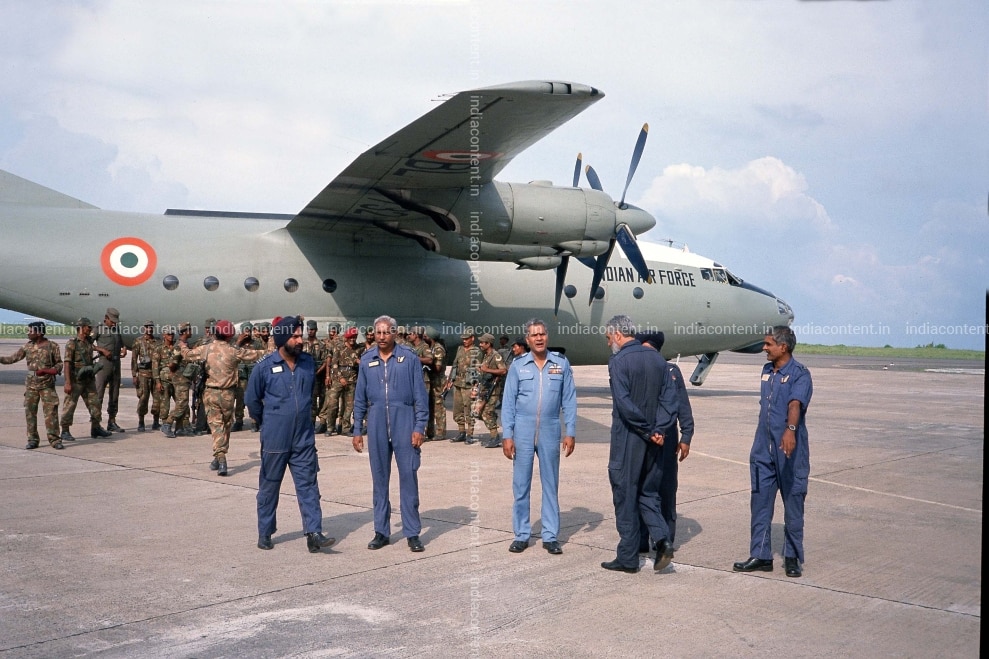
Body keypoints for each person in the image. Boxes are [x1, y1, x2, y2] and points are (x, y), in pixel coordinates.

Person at [246, 316, 335, 553]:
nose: (300, 340)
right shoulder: (264, 367)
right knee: (269, 486)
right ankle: (265, 532)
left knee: (308, 486)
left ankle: (313, 532)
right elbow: (252, 401)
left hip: (304, 438)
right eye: (295, 336)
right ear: (283, 338)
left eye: (300, 335)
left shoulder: (307, 363)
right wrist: (270, 422)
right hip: (276, 438)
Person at [601, 315, 678, 574]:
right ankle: (663, 539)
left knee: (625, 492)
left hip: (629, 439)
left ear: (618, 334)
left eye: (608, 337)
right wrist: (659, 429)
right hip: (656, 440)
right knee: (648, 493)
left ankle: (628, 556)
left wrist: (646, 430)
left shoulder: (619, 361)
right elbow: (670, 401)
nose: (608, 342)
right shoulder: (659, 360)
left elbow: (623, 403)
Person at [733, 326, 812, 578]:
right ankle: (760, 555)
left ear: (783, 347)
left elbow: (795, 404)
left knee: (793, 505)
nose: (764, 348)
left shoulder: (800, 374)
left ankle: (791, 557)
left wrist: (790, 430)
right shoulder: (766, 371)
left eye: (768, 344)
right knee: (760, 504)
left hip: (789, 452)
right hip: (762, 452)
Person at [352, 315, 430, 553]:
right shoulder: (367, 360)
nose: (382, 337)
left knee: (408, 477)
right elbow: (359, 398)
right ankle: (381, 531)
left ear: (395, 333)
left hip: (404, 421)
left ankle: (412, 533)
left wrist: (419, 427)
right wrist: (357, 430)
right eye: (378, 333)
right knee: (379, 480)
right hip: (376, 422)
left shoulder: (409, 359)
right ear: (373, 335)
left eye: (387, 332)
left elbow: (420, 396)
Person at [500, 319, 576, 555]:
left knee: (550, 484)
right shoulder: (518, 366)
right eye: (534, 335)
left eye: (542, 334)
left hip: (550, 428)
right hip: (522, 429)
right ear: (527, 340)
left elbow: (569, 400)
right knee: (521, 485)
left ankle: (550, 535)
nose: (539, 338)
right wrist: (507, 434)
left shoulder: (560, 364)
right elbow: (508, 403)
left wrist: (570, 431)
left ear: (547, 337)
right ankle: (521, 535)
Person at [180, 319, 265, 475]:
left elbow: (186, 355)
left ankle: (221, 458)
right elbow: (255, 354)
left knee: (216, 426)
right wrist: (272, 346)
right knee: (225, 426)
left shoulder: (205, 349)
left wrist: (183, 343)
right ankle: (218, 456)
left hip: (211, 393)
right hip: (228, 395)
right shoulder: (234, 351)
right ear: (229, 336)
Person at [636, 333, 695, 554]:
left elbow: (682, 404)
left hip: (667, 440)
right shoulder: (637, 367)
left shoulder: (671, 371)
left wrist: (686, 435)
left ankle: (665, 540)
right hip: (642, 439)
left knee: (667, 489)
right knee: (640, 489)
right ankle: (641, 539)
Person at [1, 321, 63, 449]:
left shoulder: (52, 346)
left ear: (39, 333)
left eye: (31, 331)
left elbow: (59, 364)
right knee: (30, 413)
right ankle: (33, 439)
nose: (28, 333)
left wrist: (47, 371)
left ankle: (55, 440)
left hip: (47, 385)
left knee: (51, 413)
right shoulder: (27, 347)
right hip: (31, 386)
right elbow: (12, 359)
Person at [60, 317, 113, 441]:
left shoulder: (88, 341)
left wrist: (102, 349)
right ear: (82, 328)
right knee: (70, 405)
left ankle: (96, 428)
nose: (90, 329)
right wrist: (68, 382)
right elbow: (67, 363)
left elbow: (93, 347)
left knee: (95, 404)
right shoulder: (72, 343)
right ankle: (65, 430)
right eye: (89, 327)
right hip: (76, 380)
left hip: (89, 379)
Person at [93, 307, 126, 432]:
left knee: (114, 394)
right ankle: (96, 423)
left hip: (116, 364)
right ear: (106, 318)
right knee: (99, 394)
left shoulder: (116, 328)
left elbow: (120, 341)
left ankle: (112, 421)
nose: (114, 323)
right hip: (104, 364)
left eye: (115, 321)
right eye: (112, 321)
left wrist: (123, 348)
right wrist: (102, 350)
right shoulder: (99, 328)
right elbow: (88, 344)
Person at [447, 329, 481, 443]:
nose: (464, 341)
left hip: (469, 384)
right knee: (457, 409)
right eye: (463, 339)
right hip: (458, 383)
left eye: (467, 338)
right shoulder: (460, 349)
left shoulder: (476, 351)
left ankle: (470, 434)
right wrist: (451, 379)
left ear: (472, 338)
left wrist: (475, 387)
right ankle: (461, 432)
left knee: (469, 410)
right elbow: (455, 364)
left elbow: (479, 370)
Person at [474, 333, 507, 448]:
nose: (480, 344)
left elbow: (503, 370)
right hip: (485, 387)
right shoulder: (486, 355)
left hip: (493, 388)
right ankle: (494, 434)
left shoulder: (495, 355)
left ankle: (495, 437)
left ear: (489, 343)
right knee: (483, 412)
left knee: (486, 412)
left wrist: (487, 369)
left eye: (483, 342)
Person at [131, 320, 160, 432]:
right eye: (148, 327)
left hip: (155, 374)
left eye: (151, 327)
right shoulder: (138, 341)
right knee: (143, 398)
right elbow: (134, 359)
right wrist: (134, 375)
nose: (150, 329)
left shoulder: (157, 341)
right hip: (143, 374)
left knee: (157, 399)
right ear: (144, 328)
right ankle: (141, 421)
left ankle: (156, 421)